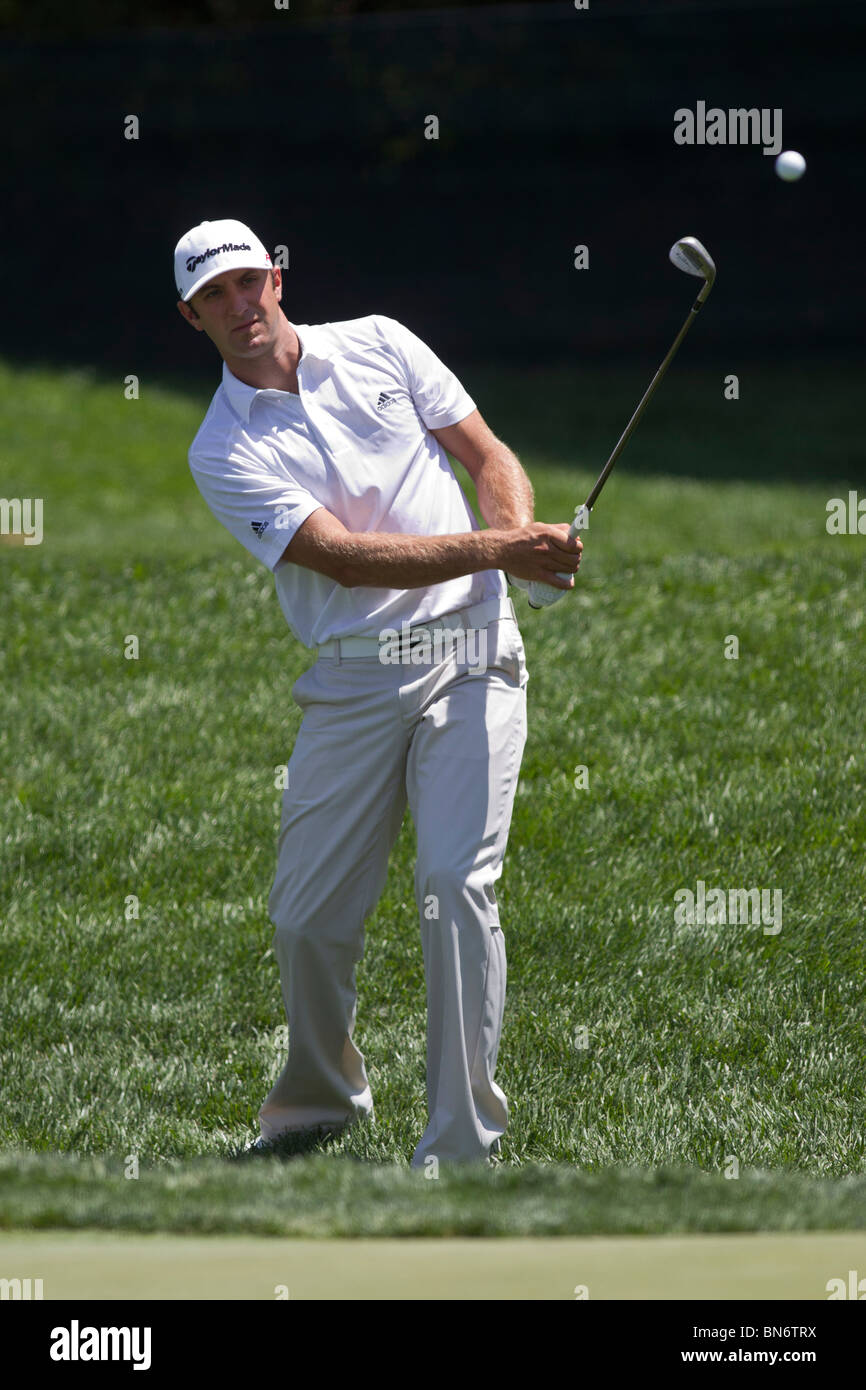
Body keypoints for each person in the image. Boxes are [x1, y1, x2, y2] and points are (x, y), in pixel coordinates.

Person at [174, 218, 583, 1167]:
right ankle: (321, 1099)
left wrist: (516, 544)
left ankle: (460, 1148)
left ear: (277, 277)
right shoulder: (220, 448)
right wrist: (505, 549)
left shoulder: (383, 343)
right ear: (190, 317)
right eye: (213, 297)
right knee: (305, 918)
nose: (239, 306)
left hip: (473, 649)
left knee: (454, 885)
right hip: (353, 683)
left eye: (247, 282)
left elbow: (487, 456)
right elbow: (347, 562)